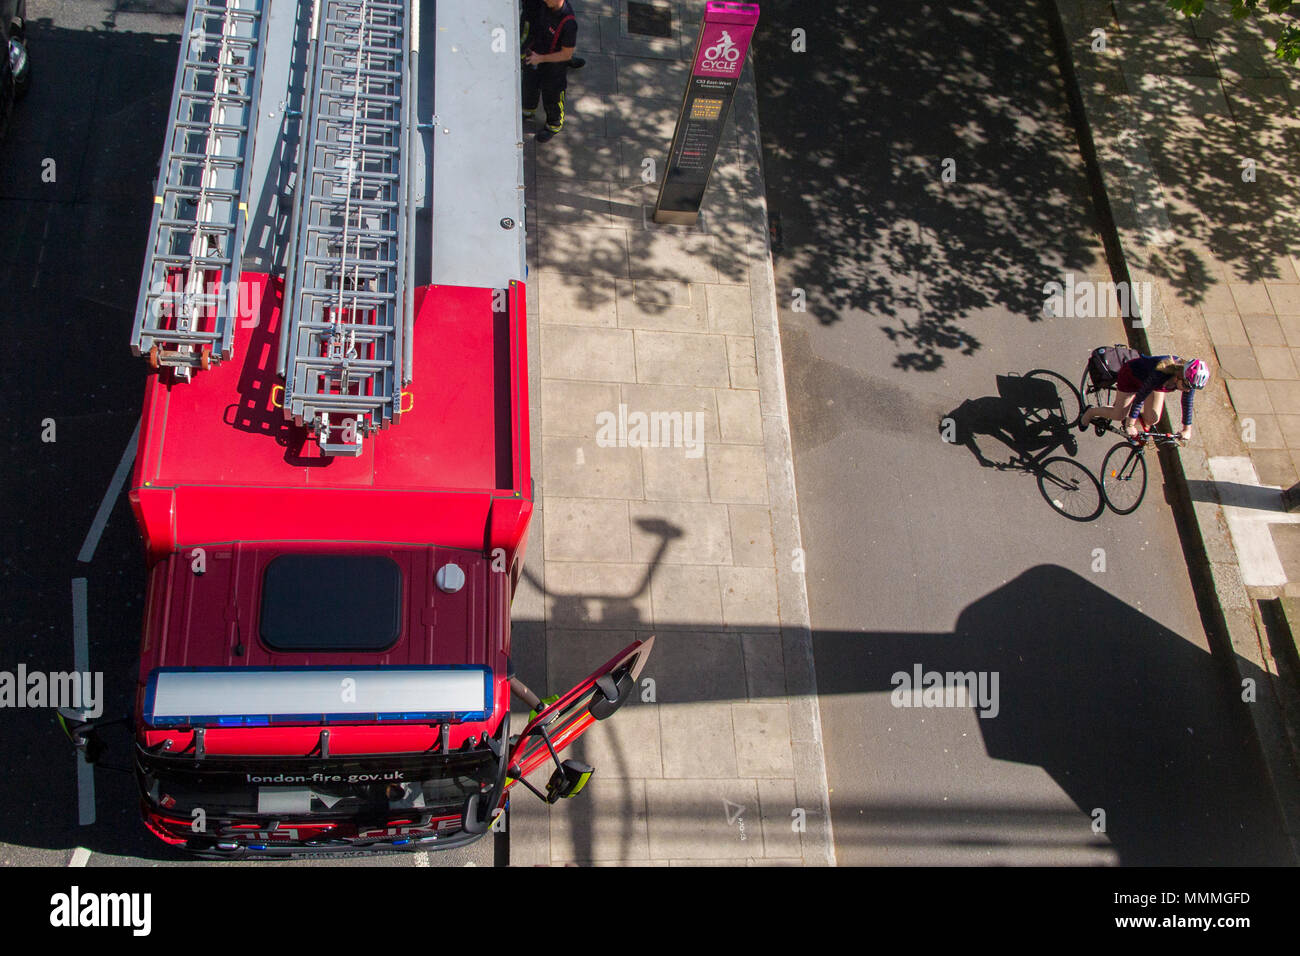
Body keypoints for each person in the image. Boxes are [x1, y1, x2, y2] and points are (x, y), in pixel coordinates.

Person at [1079, 354, 1210, 440]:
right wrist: (1130, 424)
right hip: (1131, 376)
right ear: (1179, 376)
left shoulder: (1189, 382)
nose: (1188, 390)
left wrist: (1187, 429)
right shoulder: (1161, 372)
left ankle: (1129, 417)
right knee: (1118, 414)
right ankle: (1090, 413)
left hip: (1154, 385)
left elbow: (1188, 403)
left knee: (1153, 418)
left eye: (1191, 388)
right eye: (1187, 386)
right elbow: (1141, 396)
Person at [521, 0, 578, 143]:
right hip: (536, 56)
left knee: (552, 97)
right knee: (529, 86)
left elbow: (566, 54)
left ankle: (553, 125)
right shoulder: (545, 6)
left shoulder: (568, 23)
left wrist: (540, 59)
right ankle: (527, 111)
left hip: (553, 67)